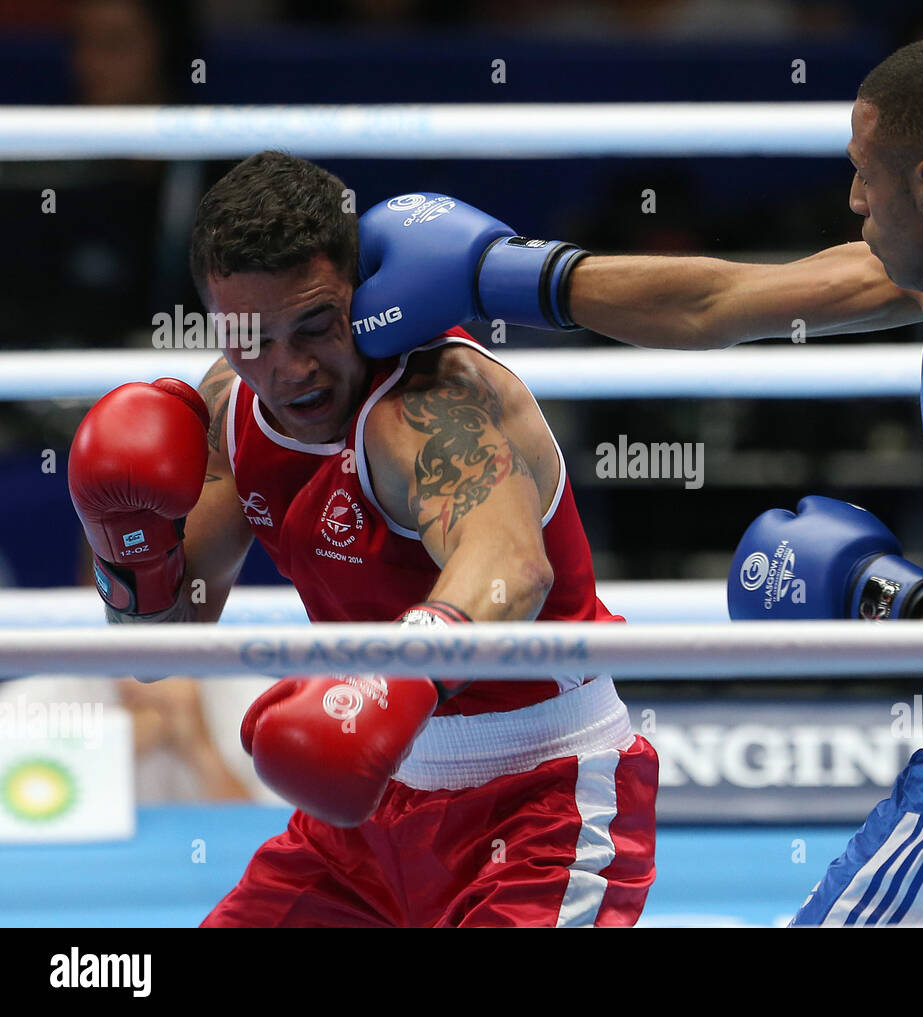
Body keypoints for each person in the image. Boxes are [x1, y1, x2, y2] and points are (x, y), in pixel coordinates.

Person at [350, 31, 923, 924]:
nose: (854, 197)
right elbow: (721, 302)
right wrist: (507, 278)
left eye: (866, 172)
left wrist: (876, 595)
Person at [66, 151, 657, 928]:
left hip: (537, 794)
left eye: (315, 324)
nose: (290, 368)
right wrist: (127, 549)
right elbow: (162, 646)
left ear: (360, 289)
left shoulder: (429, 398)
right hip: (364, 817)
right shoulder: (232, 409)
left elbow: (510, 564)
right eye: (251, 337)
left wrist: (387, 682)